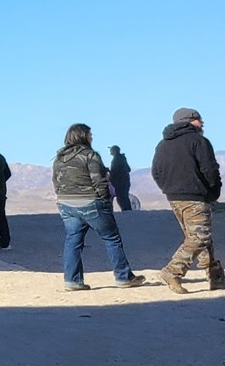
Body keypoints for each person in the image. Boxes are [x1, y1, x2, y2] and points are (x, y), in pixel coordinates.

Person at [54, 123, 149, 290]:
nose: (92, 137)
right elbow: (99, 180)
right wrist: (105, 201)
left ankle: (72, 280)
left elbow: (56, 181)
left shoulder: (59, 157)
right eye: (90, 134)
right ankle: (123, 276)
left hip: (66, 203)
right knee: (111, 238)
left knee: (73, 241)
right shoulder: (90, 155)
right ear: (82, 136)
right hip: (90, 202)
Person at [149, 107, 222, 295]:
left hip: (174, 198)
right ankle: (172, 271)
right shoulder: (199, 141)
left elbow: (156, 171)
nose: (202, 123)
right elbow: (210, 169)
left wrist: (168, 188)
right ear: (189, 121)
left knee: (198, 236)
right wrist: (214, 190)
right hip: (194, 196)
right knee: (200, 237)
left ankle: (216, 277)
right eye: (199, 119)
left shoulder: (163, 144)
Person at [108, 146, 135, 212]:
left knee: (121, 198)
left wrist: (110, 174)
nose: (110, 152)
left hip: (120, 183)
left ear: (115, 151)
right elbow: (128, 169)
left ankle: (127, 212)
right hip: (124, 182)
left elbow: (115, 172)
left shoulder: (117, 159)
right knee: (124, 197)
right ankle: (128, 211)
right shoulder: (122, 158)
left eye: (111, 150)